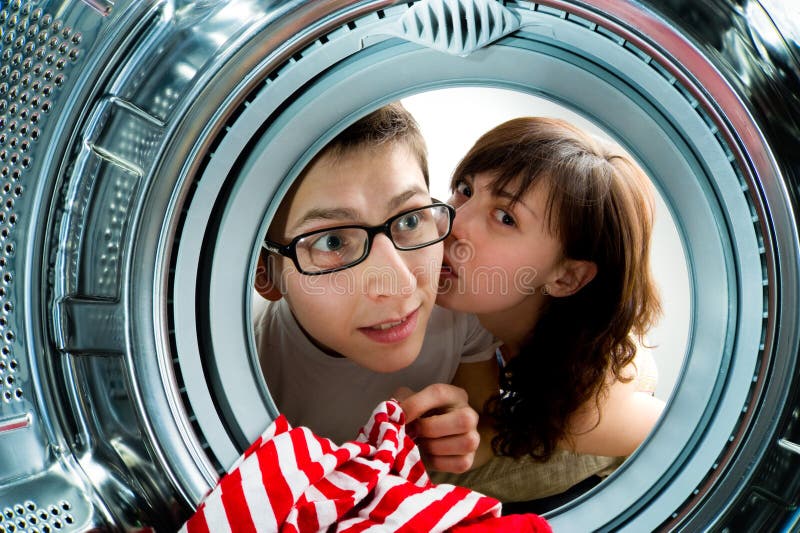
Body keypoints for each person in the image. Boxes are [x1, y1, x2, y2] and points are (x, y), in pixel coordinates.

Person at [430, 116, 665, 504]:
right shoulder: (477, 304)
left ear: (566, 277)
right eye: (465, 189)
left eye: (506, 217)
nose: (455, 220)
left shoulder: (589, 413)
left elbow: (701, 442)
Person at [253, 103, 497, 474]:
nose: (399, 283)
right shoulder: (254, 370)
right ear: (264, 274)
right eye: (332, 242)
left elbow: (488, 420)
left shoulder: (458, 305)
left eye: (410, 219)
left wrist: (453, 446)